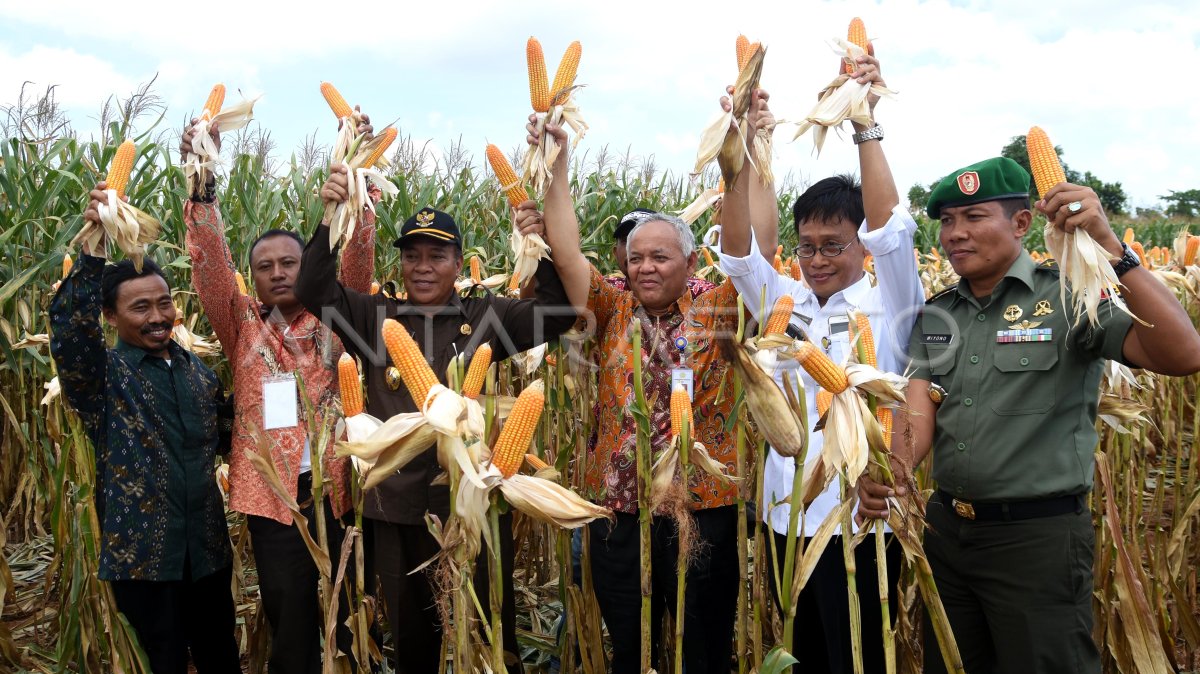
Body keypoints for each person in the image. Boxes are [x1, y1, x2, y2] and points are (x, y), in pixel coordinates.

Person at [857, 156, 1200, 673]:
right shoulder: (937, 312)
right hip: (948, 533)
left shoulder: (1070, 295)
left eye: (974, 217)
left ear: (1021, 223)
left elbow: (1183, 354)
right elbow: (919, 406)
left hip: (1036, 542)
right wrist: (891, 468)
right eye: (947, 220)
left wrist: (1113, 251)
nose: (955, 234)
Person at [292, 180, 577, 673]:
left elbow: (557, 315)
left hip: (469, 506)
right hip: (397, 506)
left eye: (438, 256)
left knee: (488, 625)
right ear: (400, 263)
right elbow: (313, 290)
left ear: (457, 260)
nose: (423, 267)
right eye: (413, 256)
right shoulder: (374, 318)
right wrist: (330, 217)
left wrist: (540, 246)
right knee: (410, 633)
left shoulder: (486, 317)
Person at [716, 52, 923, 673]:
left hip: (860, 521)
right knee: (804, 653)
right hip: (788, 522)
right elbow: (738, 255)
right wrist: (745, 145)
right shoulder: (785, 300)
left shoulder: (894, 299)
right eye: (807, 247)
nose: (817, 258)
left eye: (834, 245)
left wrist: (863, 123)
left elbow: (891, 232)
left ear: (861, 246)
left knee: (858, 654)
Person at [531, 114, 753, 674]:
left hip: (702, 508)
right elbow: (567, 252)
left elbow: (753, 251)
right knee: (631, 649)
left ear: (691, 261)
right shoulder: (611, 310)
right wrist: (556, 163)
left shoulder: (720, 308)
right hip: (620, 513)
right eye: (635, 258)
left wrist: (744, 155)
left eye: (660, 257)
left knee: (703, 649)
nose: (645, 267)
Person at [181, 115, 376, 673]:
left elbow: (356, 259)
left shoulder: (339, 314)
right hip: (273, 499)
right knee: (289, 607)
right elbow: (209, 264)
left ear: (308, 265)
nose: (278, 273)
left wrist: (353, 187)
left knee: (345, 605)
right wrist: (203, 183)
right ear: (253, 278)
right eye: (264, 267)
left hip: (340, 488)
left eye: (289, 262)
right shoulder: (241, 323)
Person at [49, 185, 239, 674]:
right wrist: (92, 250)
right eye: (140, 308)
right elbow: (70, 329)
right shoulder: (101, 377)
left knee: (222, 656)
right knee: (165, 662)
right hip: (144, 559)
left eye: (164, 303)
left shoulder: (195, 371)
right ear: (110, 316)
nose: (158, 318)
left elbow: (227, 435)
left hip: (208, 550)